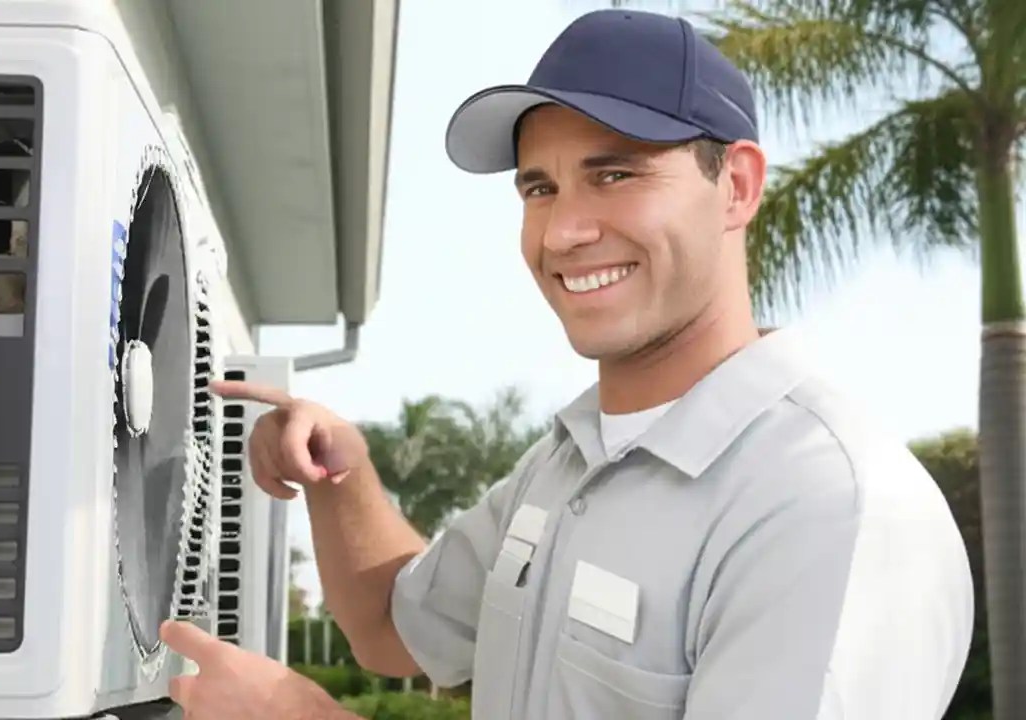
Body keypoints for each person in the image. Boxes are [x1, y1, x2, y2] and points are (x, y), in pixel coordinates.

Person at [160, 8, 975, 719]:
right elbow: (391, 629)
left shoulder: (828, 509)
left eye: (616, 173)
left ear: (736, 186)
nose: (562, 232)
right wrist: (338, 471)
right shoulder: (568, 465)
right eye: (539, 188)